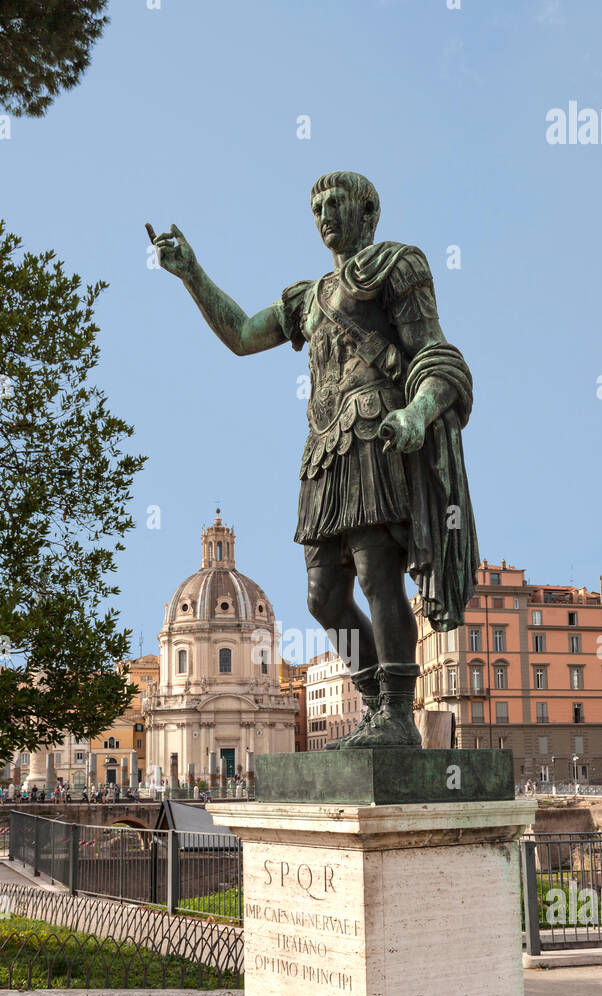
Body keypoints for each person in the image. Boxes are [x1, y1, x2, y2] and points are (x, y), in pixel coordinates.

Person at [149, 171, 477, 748]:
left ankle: (398, 710)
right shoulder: (308, 298)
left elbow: (433, 350)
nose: (324, 214)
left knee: (378, 575)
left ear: (367, 212)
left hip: (376, 433)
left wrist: (419, 412)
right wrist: (192, 275)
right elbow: (244, 334)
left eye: (336, 203)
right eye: (317, 206)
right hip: (324, 449)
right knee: (322, 595)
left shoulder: (397, 266)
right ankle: (376, 699)